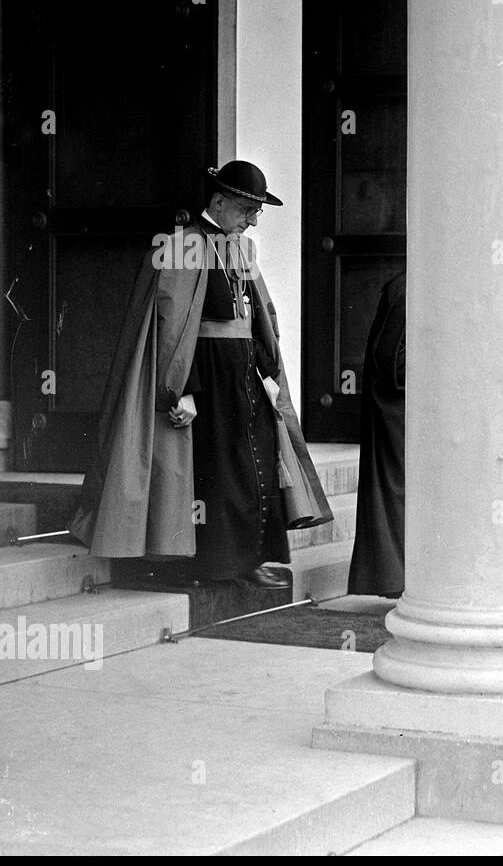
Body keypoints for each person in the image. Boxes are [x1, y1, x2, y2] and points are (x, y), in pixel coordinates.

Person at [69, 160, 332, 587]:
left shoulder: (239, 248)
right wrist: (182, 391)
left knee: (256, 463)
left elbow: (259, 315)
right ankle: (214, 565)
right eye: (248, 208)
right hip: (205, 378)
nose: (254, 219)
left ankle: (248, 559)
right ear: (219, 201)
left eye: (258, 210)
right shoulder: (179, 246)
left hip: (244, 376)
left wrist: (267, 371)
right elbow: (167, 328)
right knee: (216, 473)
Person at [348, 272, 406, 598]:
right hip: (397, 415)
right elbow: (390, 362)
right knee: (398, 496)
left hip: (410, 414)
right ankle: (396, 580)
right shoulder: (406, 287)